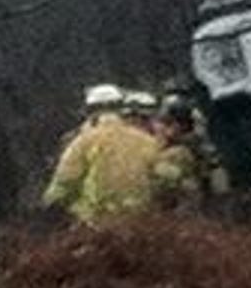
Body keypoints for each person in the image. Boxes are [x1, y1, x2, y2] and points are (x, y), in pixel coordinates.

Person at [42, 86, 162, 226]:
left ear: (90, 112)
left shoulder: (84, 141)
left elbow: (64, 183)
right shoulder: (149, 142)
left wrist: (49, 206)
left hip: (95, 225)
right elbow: (162, 181)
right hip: (144, 224)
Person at [151, 93, 229, 212]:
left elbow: (216, 177)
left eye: (168, 123)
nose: (160, 127)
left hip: (194, 198)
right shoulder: (181, 142)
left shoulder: (191, 145)